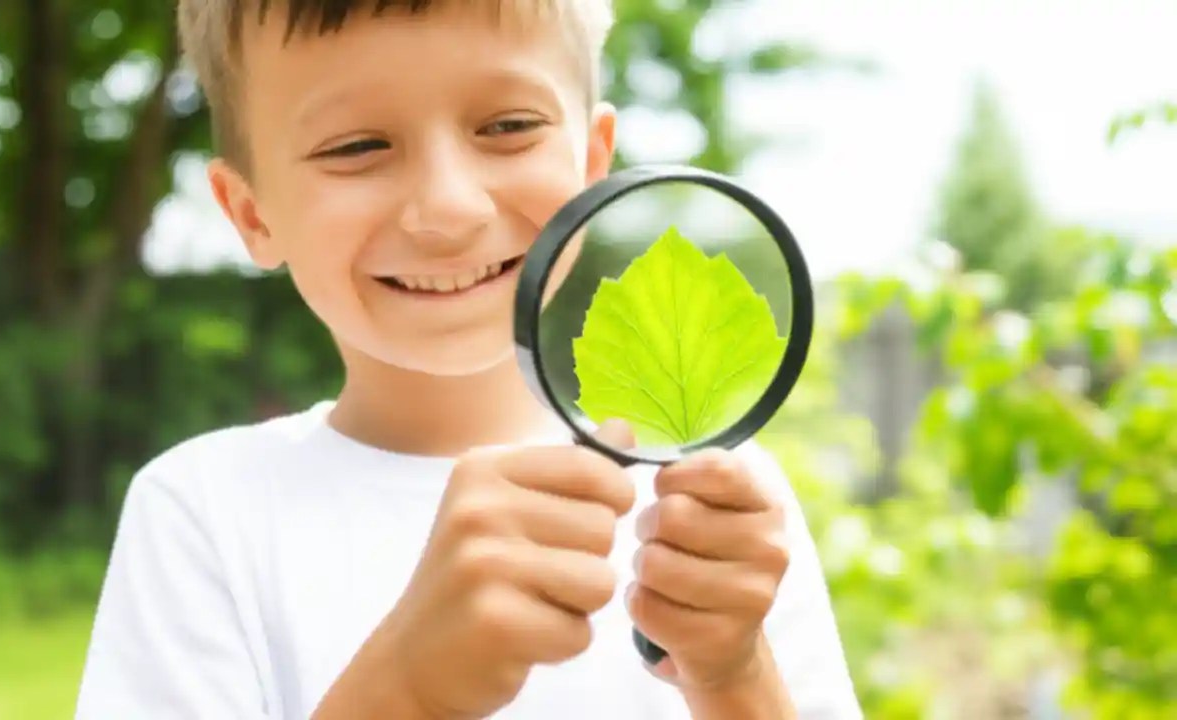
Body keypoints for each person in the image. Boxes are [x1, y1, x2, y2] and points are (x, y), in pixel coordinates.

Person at [74, 1, 862, 718]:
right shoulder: (203, 513)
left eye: (509, 127)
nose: (449, 208)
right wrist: (404, 691)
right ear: (251, 213)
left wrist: (733, 676)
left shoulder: (710, 495)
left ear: (592, 164)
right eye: (356, 146)